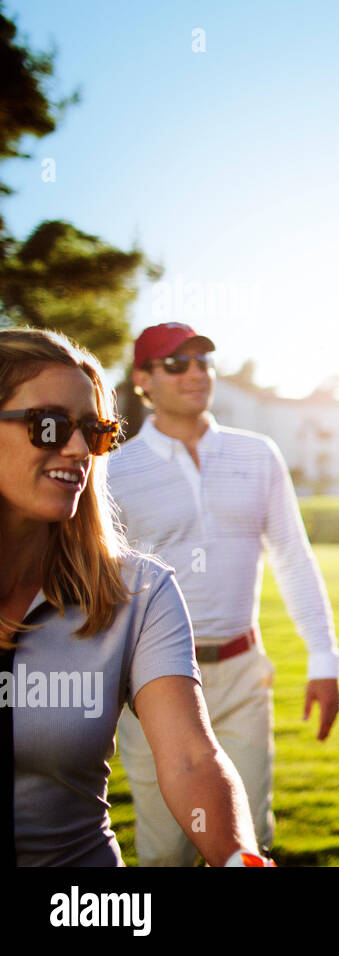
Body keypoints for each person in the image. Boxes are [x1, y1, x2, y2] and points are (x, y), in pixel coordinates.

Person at [0, 327, 272, 866]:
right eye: (50, 425)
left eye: (94, 432)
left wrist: (238, 857)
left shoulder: (139, 593)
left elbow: (192, 758)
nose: (78, 449)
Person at [107, 322, 339, 866]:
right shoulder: (114, 473)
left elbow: (293, 557)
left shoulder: (258, 455)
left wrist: (324, 657)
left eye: (203, 361)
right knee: (167, 852)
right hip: (154, 686)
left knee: (247, 845)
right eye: (176, 363)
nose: (196, 373)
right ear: (142, 378)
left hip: (242, 672)